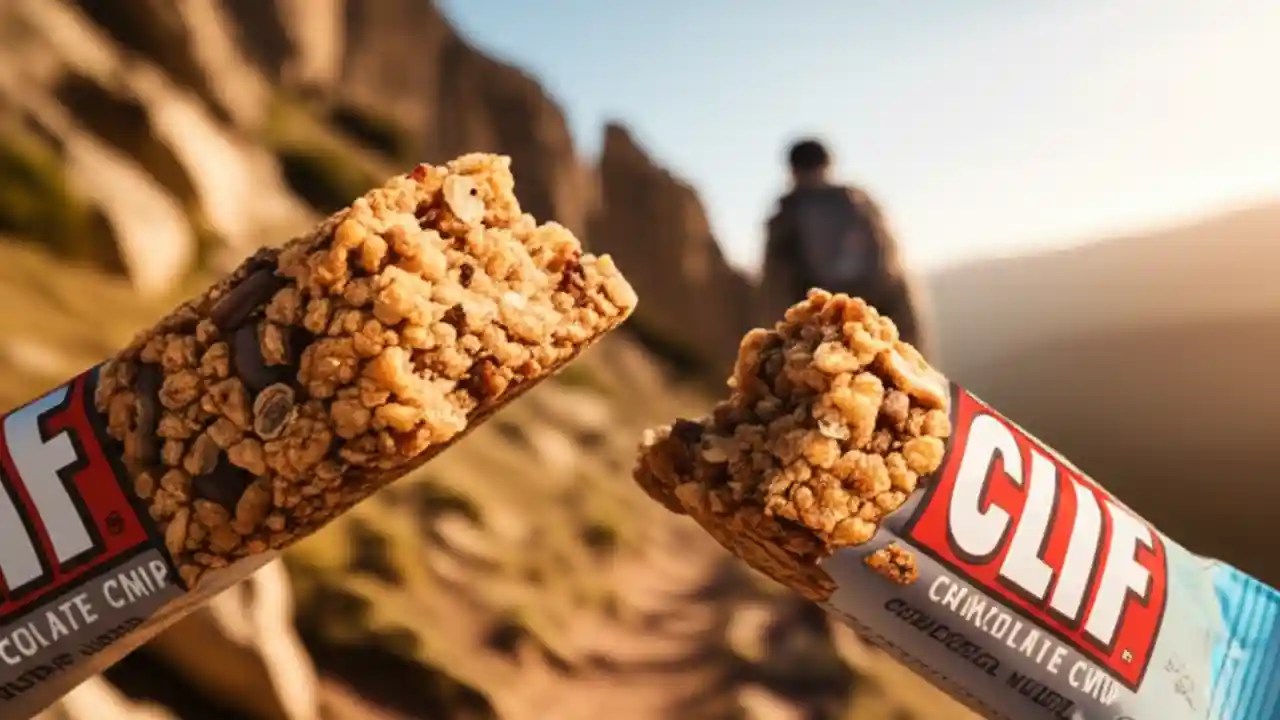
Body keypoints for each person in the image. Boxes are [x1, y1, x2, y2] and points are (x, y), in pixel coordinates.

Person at [759, 138, 929, 353]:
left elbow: (775, 285)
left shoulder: (785, 213)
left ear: (792, 170)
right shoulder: (859, 201)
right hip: (881, 321)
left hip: (821, 337)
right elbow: (892, 265)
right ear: (829, 163)